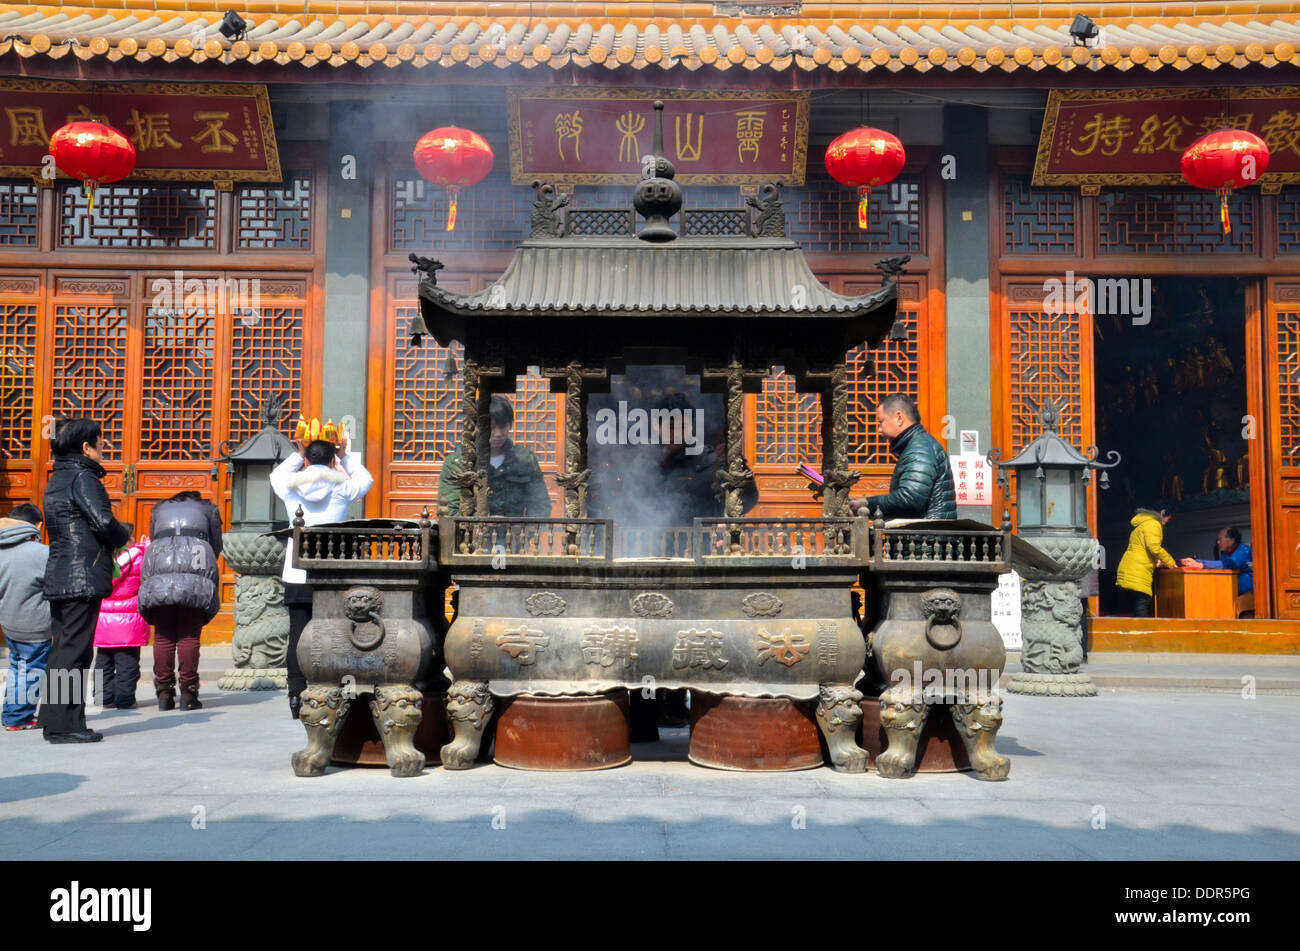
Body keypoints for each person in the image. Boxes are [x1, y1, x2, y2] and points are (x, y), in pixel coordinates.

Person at [39, 417, 130, 743]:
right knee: (75, 651)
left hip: (61, 571)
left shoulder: (58, 477)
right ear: (85, 447)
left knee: (63, 648)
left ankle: (55, 720)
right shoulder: (83, 477)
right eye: (99, 442)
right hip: (82, 574)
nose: (103, 448)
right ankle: (66, 725)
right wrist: (125, 535)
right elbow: (102, 520)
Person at [271, 429, 373, 719]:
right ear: (331, 461)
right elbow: (367, 480)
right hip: (332, 571)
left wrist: (298, 454)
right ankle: (333, 687)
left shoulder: (289, 486)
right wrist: (345, 456)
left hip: (298, 570)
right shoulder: (341, 486)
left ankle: (295, 693)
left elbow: (275, 476)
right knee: (335, 632)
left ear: (306, 459)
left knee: (298, 634)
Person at [138, 492, 224, 711]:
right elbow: (216, 544)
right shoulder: (208, 508)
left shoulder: (158, 509)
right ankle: (188, 692)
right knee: (188, 634)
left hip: (159, 561)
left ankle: (164, 692)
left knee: (163, 634)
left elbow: (154, 535)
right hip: (195, 564)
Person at [437, 395, 552, 518]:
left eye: (503, 427)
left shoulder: (525, 460)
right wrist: (481, 524)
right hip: (471, 535)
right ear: (476, 427)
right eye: (491, 427)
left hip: (514, 535)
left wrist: (519, 529)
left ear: (510, 425)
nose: (498, 433)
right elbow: (449, 510)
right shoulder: (458, 462)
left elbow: (540, 506)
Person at [848, 393, 957, 520]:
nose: (879, 429)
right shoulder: (916, 445)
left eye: (881, 421)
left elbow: (910, 498)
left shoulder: (919, 448)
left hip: (927, 537)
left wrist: (867, 504)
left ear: (899, 418)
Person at [0, 503, 50, 731]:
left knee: (17, 667)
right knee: (31, 671)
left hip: (9, 623)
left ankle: (12, 713)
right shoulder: (42, 553)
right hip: (35, 624)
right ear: (38, 525)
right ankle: (17, 718)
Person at [92, 525, 150, 710]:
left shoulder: (101, 557)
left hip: (103, 618)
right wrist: (146, 547)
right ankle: (124, 699)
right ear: (128, 538)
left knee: (103, 660)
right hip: (129, 620)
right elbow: (149, 570)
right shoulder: (138, 557)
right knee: (127, 662)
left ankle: (103, 697)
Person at [1115, 506, 1178, 617]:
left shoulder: (1144, 523)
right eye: (1169, 517)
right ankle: (1142, 632)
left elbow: (1144, 548)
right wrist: (1171, 563)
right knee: (1143, 601)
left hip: (1130, 567)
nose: (1167, 522)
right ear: (1163, 512)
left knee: (1135, 604)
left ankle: (1136, 631)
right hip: (1138, 570)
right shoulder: (1154, 524)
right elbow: (1153, 547)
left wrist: (1156, 561)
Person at [1180, 526, 1253, 594]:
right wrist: (1196, 562)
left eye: (1220, 539)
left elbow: (1228, 564)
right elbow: (1221, 565)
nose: (1218, 542)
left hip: (1248, 587)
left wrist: (1201, 564)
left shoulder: (1244, 550)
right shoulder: (1225, 553)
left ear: (1232, 540)